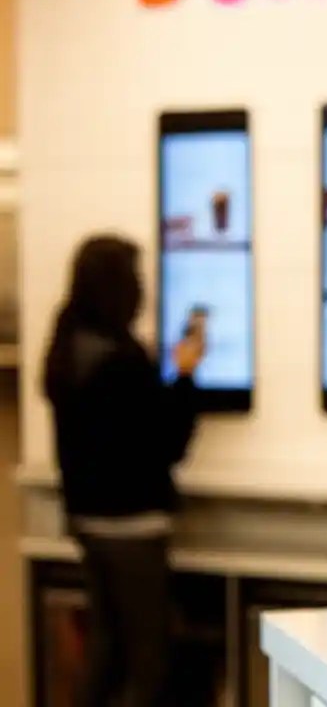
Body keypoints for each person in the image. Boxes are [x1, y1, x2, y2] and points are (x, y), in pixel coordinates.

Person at [41, 235, 204, 707]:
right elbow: (166, 444)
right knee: (148, 659)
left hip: (87, 520)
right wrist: (185, 375)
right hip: (132, 525)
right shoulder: (122, 362)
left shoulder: (68, 348)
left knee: (107, 647)